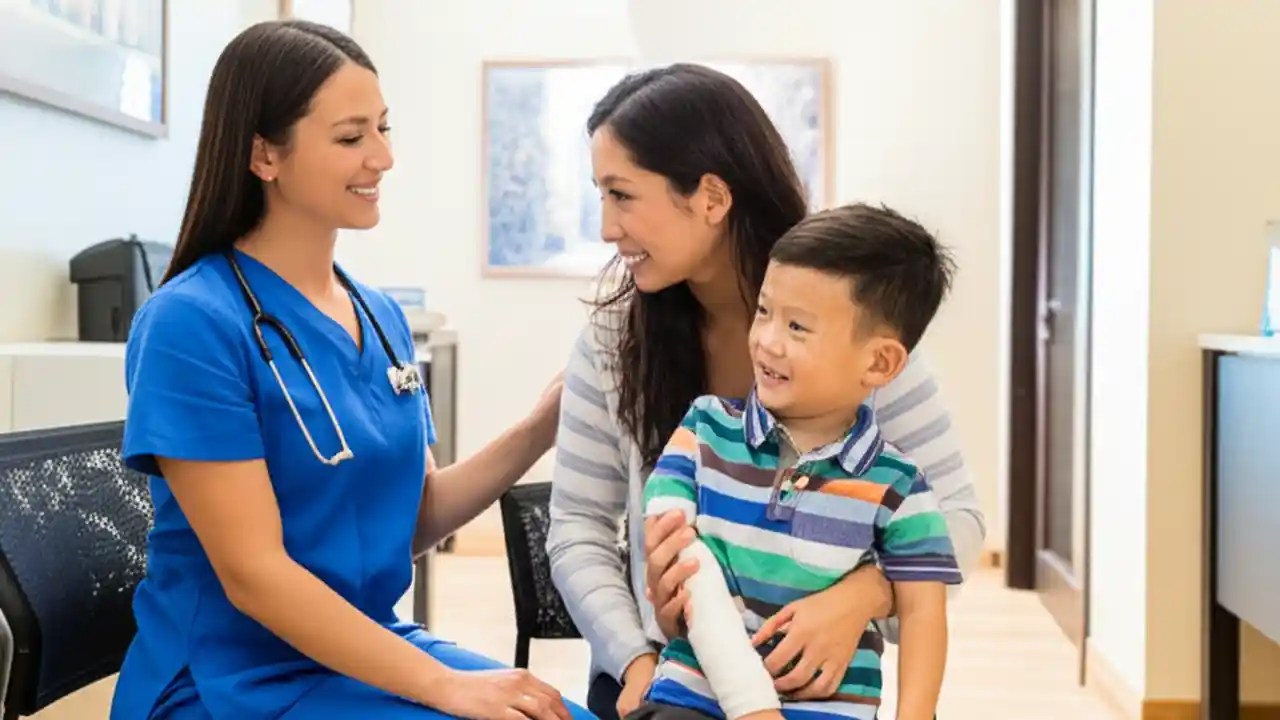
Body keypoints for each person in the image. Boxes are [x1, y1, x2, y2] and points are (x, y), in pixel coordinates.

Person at [112, 20, 590, 720]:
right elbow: (254, 576)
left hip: (356, 652)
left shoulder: (379, 317)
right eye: (351, 137)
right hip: (228, 681)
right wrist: (444, 684)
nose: (384, 158)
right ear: (264, 155)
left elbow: (411, 520)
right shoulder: (192, 324)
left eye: (384, 129)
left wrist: (542, 425)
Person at [546, 63, 986, 720]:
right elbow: (576, 529)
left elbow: (958, 523)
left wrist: (860, 597)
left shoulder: (858, 343)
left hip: (813, 686)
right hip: (670, 680)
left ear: (711, 199)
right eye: (600, 196)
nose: (607, 227)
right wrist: (636, 661)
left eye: (622, 195)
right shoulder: (615, 342)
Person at [635, 203, 964, 720]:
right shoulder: (704, 430)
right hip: (693, 699)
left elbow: (924, 609)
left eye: (797, 327)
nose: (767, 340)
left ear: (879, 362)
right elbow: (670, 528)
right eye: (764, 312)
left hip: (828, 709)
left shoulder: (899, 488)